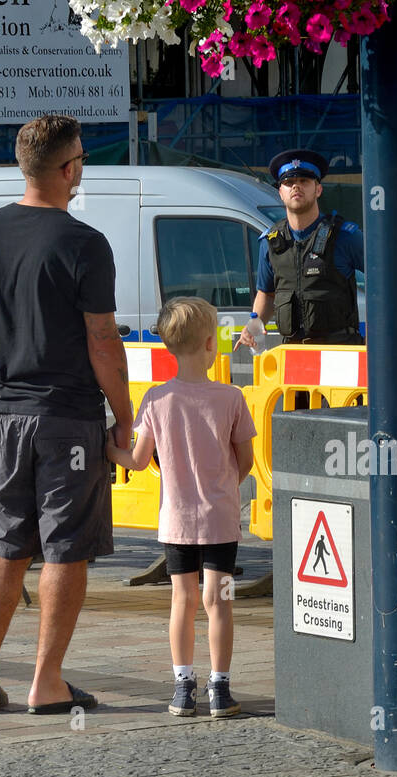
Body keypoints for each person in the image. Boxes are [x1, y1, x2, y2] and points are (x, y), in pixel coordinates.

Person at [0, 114, 133, 714]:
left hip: (2, 413)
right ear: (69, 168)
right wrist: (124, 415)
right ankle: (47, 682)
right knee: (65, 547)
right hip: (65, 414)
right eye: (81, 157)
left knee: (7, 542)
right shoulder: (84, 243)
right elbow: (103, 341)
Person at [108, 297, 256, 718]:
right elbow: (244, 460)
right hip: (221, 518)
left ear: (169, 347)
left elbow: (137, 461)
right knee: (219, 600)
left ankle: (182, 686)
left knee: (182, 600)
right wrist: (226, 482)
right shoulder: (231, 398)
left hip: (175, 520)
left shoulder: (157, 399)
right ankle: (220, 689)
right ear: (211, 343)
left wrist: (106, 450)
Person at [235, 148, 365, 350]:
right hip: (293, 353)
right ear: (280, 192)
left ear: (318, 190)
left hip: (340, 352)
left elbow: (382, 281)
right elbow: (267, 293)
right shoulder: (271, 241)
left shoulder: (345, 237)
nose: (296, 186)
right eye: (288, 183)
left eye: (304, 181)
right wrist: (255, 323)